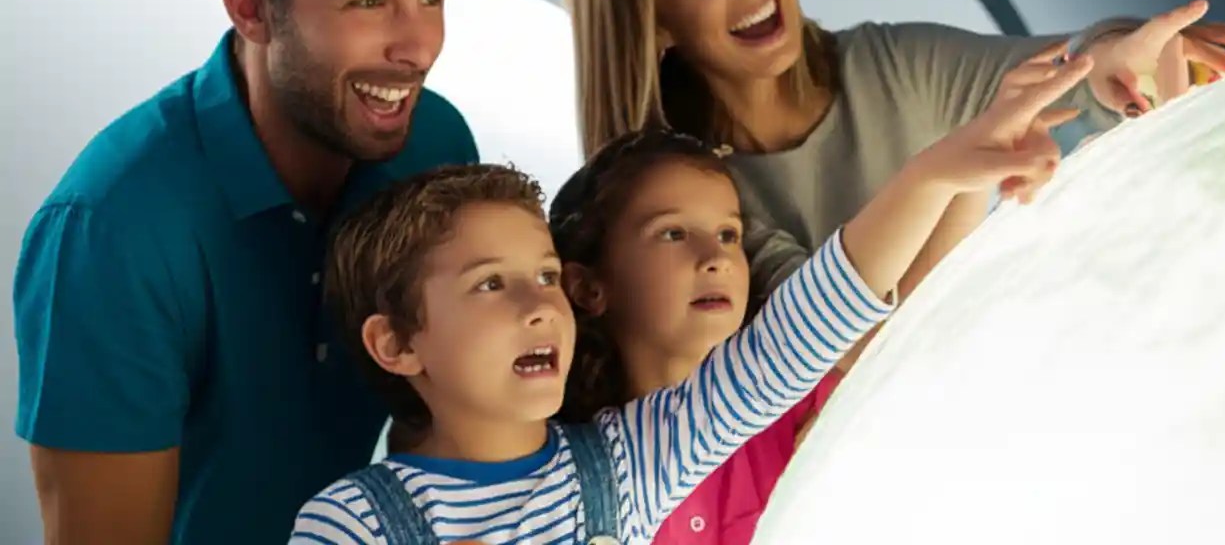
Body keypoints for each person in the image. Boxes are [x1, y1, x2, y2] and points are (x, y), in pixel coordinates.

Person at [287, 55, 1094, 543]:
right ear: (398, 345)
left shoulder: (633, 462)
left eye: (540, 275)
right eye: (490, 284)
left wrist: (936, 173)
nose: (538, 305)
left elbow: (795, 340)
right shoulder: (352, 520)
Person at [12, 0, 476, 543]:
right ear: (250, 8)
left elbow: (437, 448)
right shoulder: (111, 230)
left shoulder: (434, 145)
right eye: (368, 2)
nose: (417, 46)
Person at [562, 0, 1225, 309]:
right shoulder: (676, 200)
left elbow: (1055, 71)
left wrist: (1119, 52)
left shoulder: (885, 64)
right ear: (651, 22)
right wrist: (959, 171)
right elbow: (831, 353)